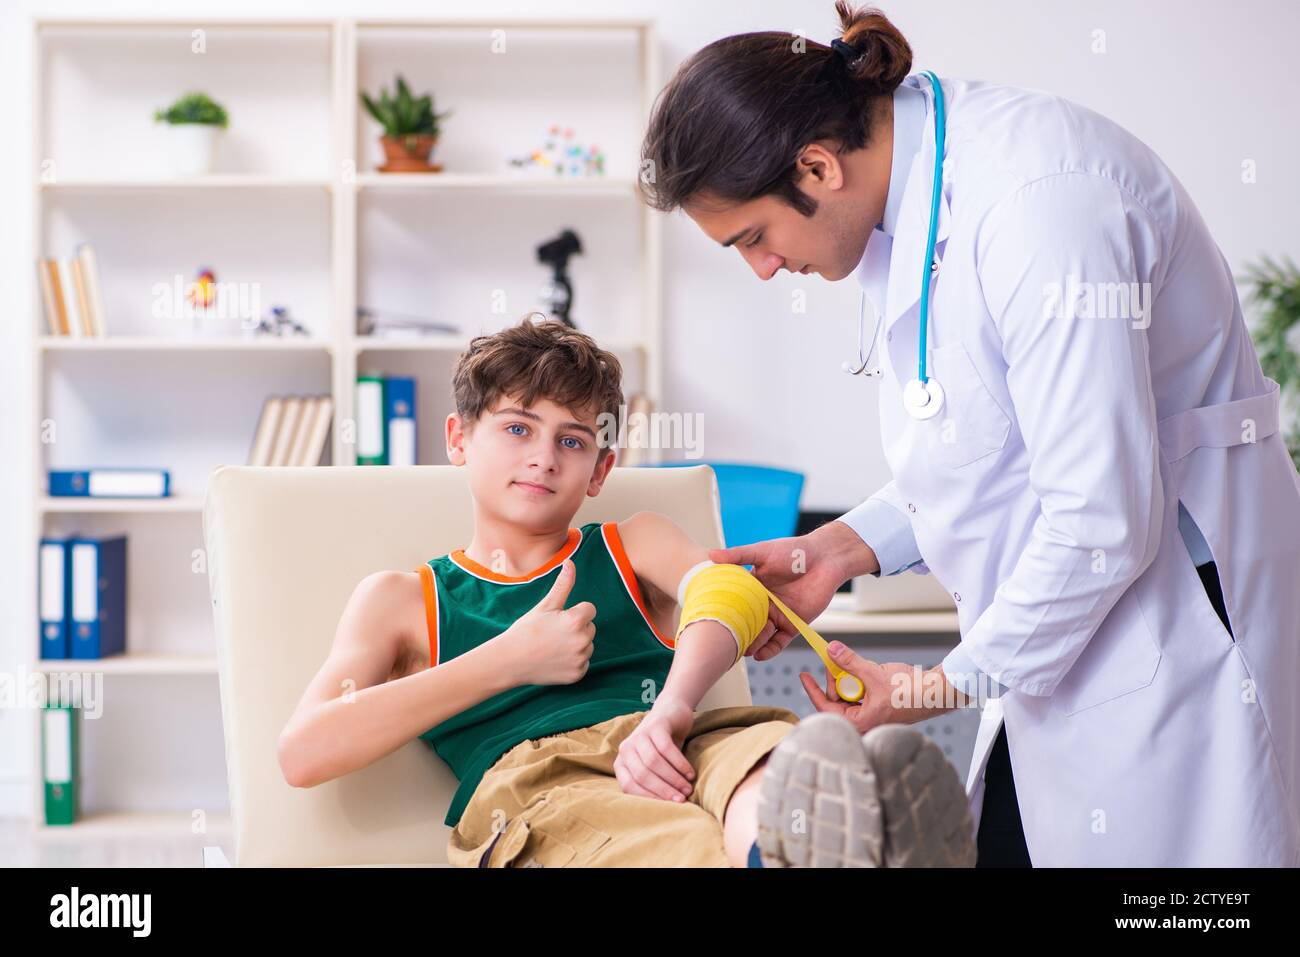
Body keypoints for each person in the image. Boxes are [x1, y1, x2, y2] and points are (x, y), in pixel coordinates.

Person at [638, 2, 1300, 866]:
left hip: (1174, 630)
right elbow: (987, 442)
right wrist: (836, 550)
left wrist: (925, 686)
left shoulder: (1042, 207)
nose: (763, 269)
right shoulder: (916, 202)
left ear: (816, 166)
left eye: (754, 237)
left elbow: (1101, 519)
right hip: (1064, 642)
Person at [277, 318, 976, 867]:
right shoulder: (403, 598)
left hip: (685, 738)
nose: (544, 456)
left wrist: (669, 711)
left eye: (572, 441)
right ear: (459, 438)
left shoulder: (632, 541)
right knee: (668, 844)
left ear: (602, 467)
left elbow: (724, 592)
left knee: (760, 773)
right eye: (517, 428)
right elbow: (303, 751)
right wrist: (507, 661)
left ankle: (821, 844)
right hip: (543, 783)